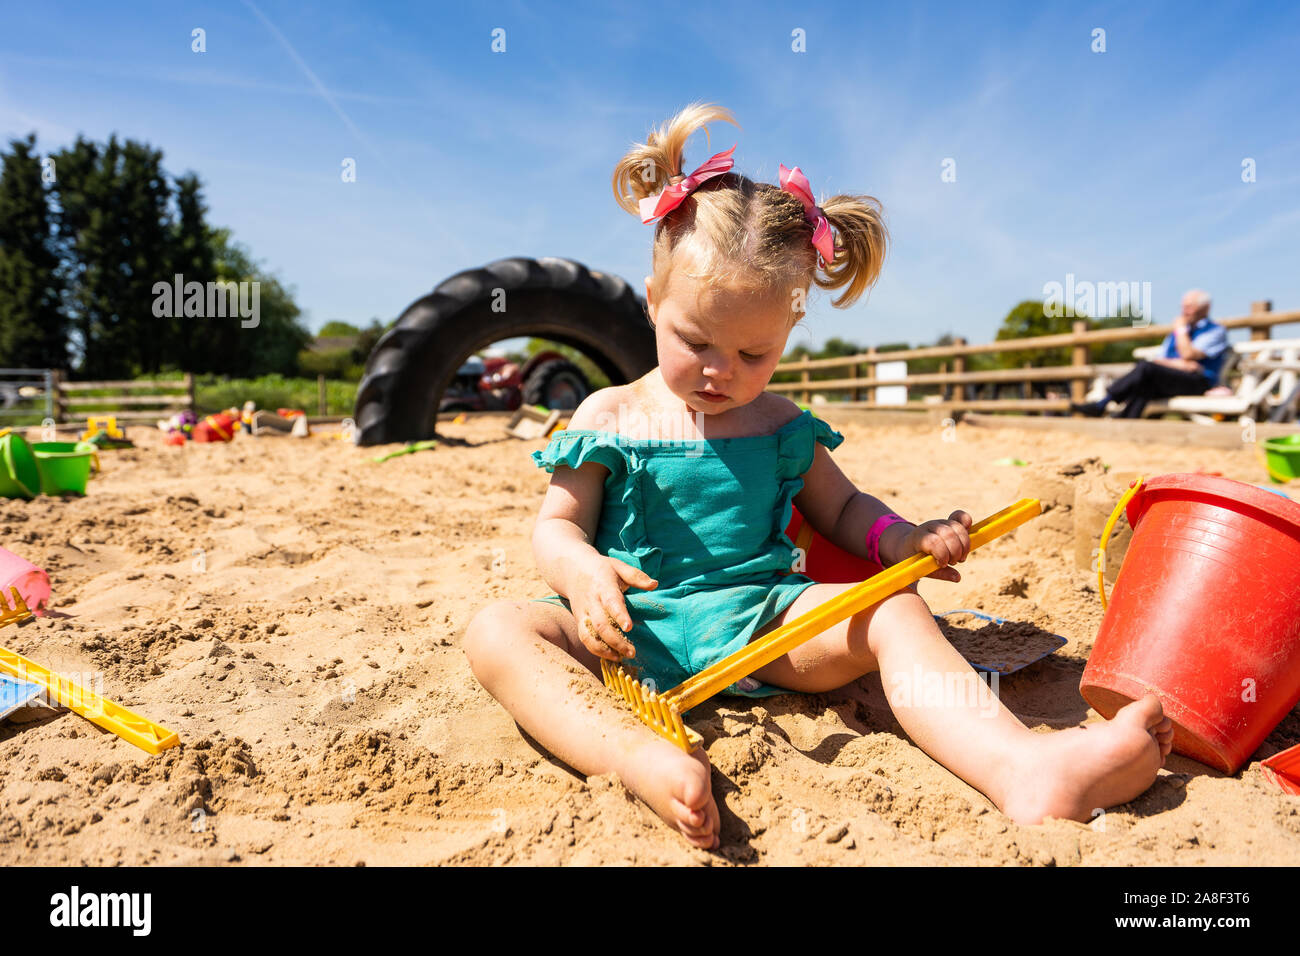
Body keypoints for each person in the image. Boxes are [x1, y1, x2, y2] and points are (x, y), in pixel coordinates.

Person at [463, 102, 1172, 850]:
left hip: (765, 623)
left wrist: (901, 539)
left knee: (896, 613)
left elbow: (843, 509)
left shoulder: (778, 424)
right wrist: (580, 573)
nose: (719, 371)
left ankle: (1022, 767)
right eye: (695, 340)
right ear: (652, 302)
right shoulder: (609, 414)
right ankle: (634, 757)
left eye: (753, 354)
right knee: (498, 630)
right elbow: (556, 526)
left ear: (791, 330)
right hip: (626, 634)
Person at [1071, 289, 1230, 419]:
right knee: (1146, 382)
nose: (1184, 311)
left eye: (1190, 307)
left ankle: (1103, 404)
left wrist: (1180, 330)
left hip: (1200, 383)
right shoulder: (1175, 334)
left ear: (1206, 308)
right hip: (1172, 378)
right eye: (1183, 307)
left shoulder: (1215, 331)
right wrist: (1178, 364)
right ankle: (1124, 420)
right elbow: (1163, 359)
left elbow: (1188, 354)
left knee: (1146, 368)